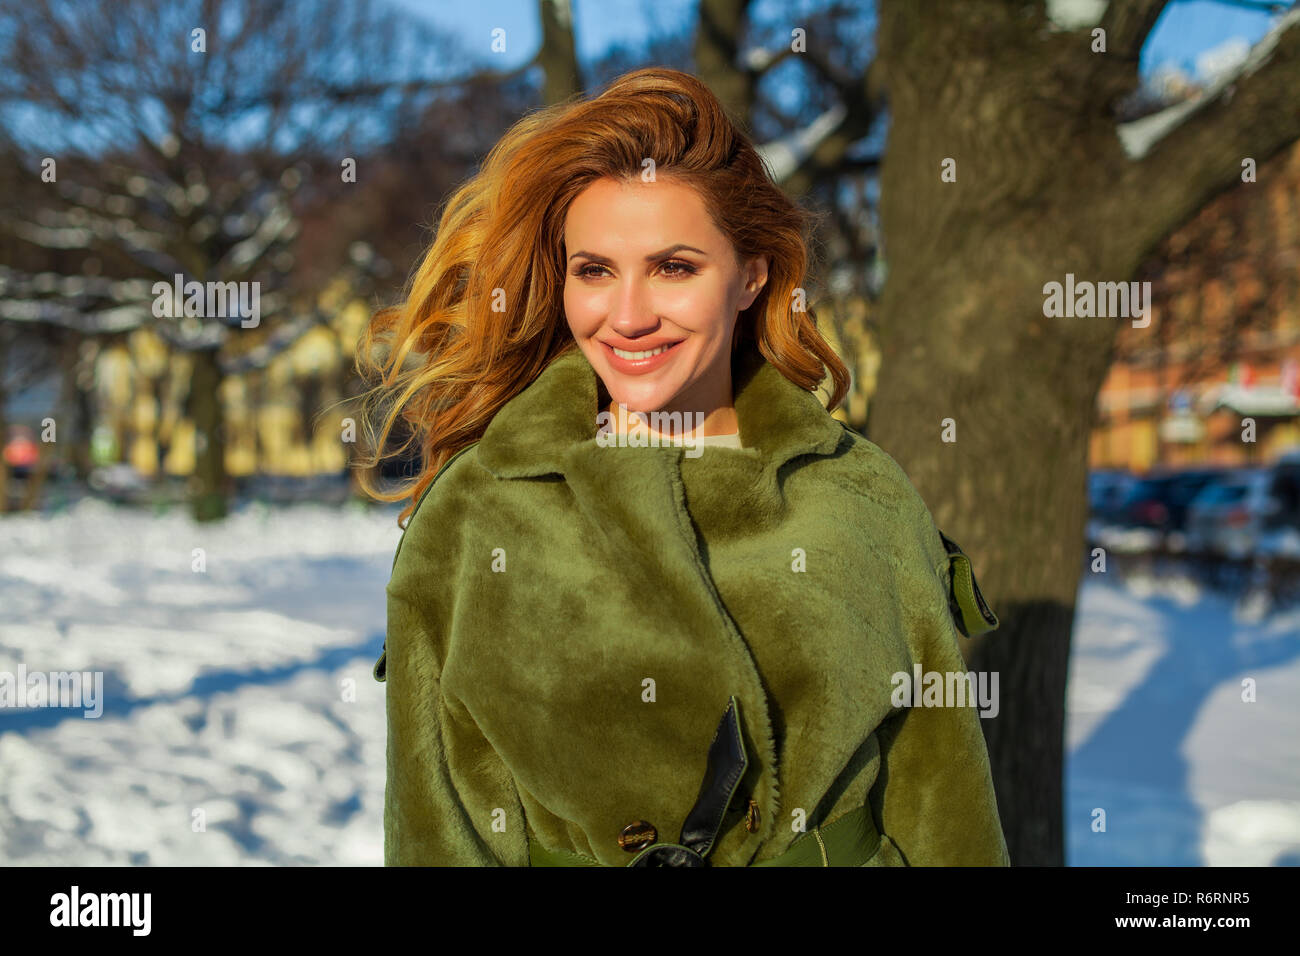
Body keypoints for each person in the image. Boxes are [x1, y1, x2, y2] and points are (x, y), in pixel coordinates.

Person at [356, 67, 1009, 867]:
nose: (628, 315)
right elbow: (433, 824)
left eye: (674, 267)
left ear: (752, 274)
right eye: (594, 270)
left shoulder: (860, 495)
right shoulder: (476, 510)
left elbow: (943, 797)